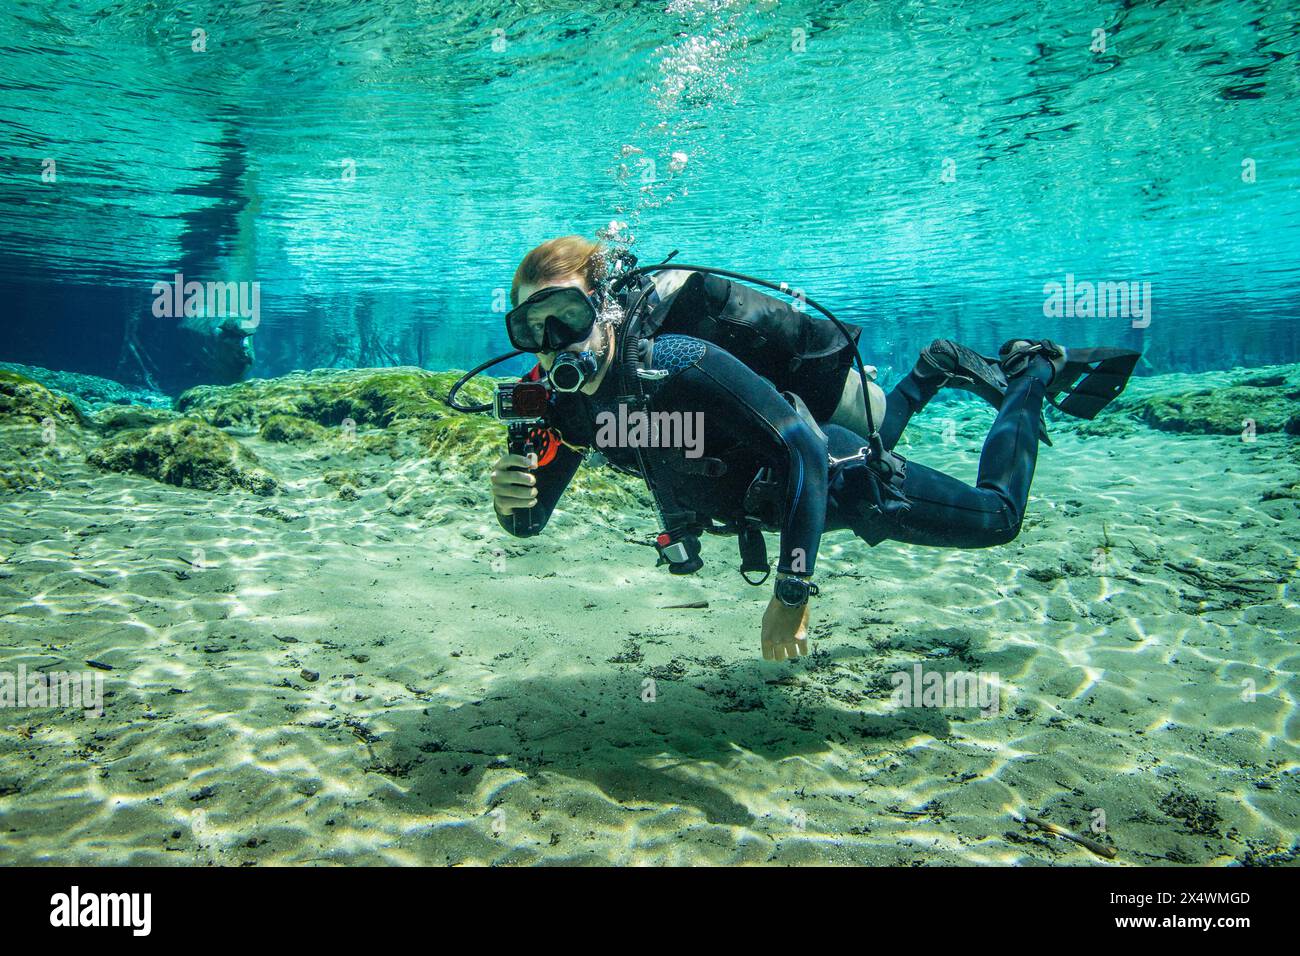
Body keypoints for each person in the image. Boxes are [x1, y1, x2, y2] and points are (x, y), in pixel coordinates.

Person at [490, 237, 1137, 661]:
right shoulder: (562, 404)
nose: (551, 341)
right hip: (768, 495)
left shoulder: (676, 360)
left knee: (998, 518)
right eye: (529, 327)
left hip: (837, 478)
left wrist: (791, 592)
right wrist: (510, 500)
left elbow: (799, 442)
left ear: (601, 308)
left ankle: (1031, 370)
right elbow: (528, 522)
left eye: (565, 317)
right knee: (887, 427)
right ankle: (931, 368)